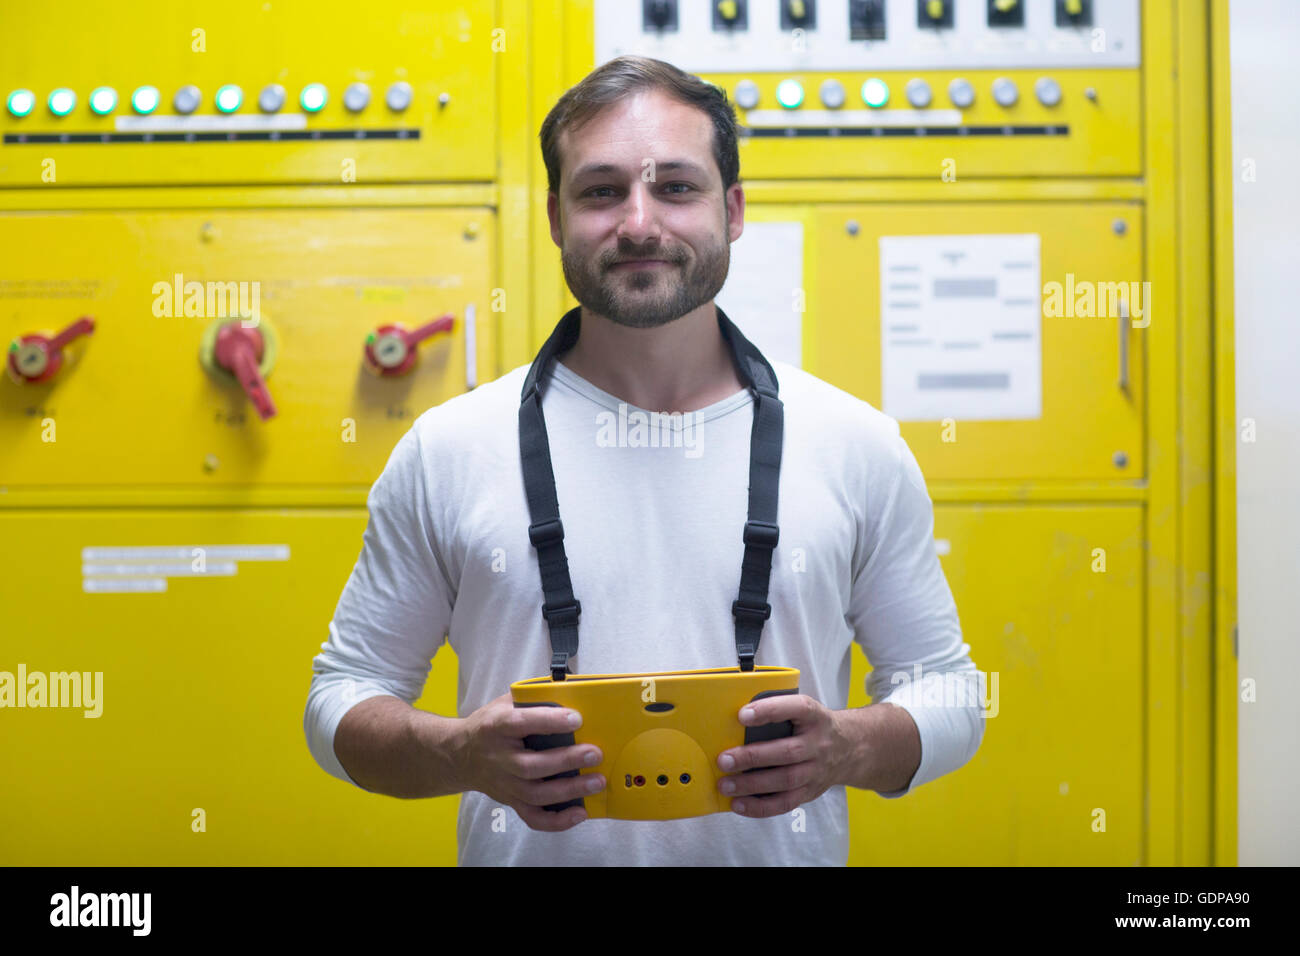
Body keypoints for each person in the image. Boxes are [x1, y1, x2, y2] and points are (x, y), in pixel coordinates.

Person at [304, 55, 985, 866]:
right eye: (601, 191)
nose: (638, 223)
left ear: (731, 211)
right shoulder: (449, 449)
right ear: (555, 217)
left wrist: (850, 748)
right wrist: (460, 755)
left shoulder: (854, 443)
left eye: (675, 188)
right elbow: (339, 698)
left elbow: (948, 690)